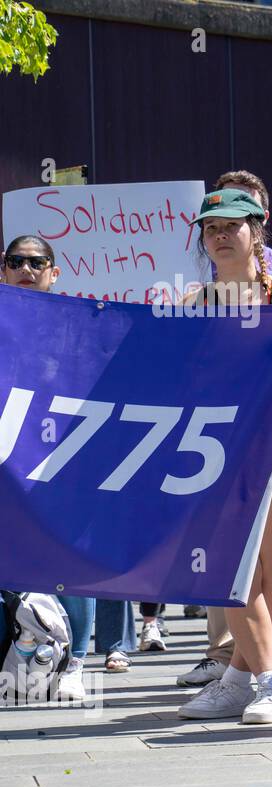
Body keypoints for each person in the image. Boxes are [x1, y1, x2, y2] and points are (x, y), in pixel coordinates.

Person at [176, 189, 272, 725]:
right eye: (210, 227)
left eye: (231, 226)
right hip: (214, 450)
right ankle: (265, 682)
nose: (219, 236)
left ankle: (242, 680)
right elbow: (182, 380)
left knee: (261, 577)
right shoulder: (196, 302)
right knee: (229, 573)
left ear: (255, 231)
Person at [1, 236, 135, 694]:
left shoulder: (78, 323)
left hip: (66, 455)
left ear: (54, 273)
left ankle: (74, 662)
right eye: (15, 261)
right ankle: (19, 657)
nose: (25, 268)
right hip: (8, 460)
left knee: (71, 559)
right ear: (3, 270)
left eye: (36, 262)